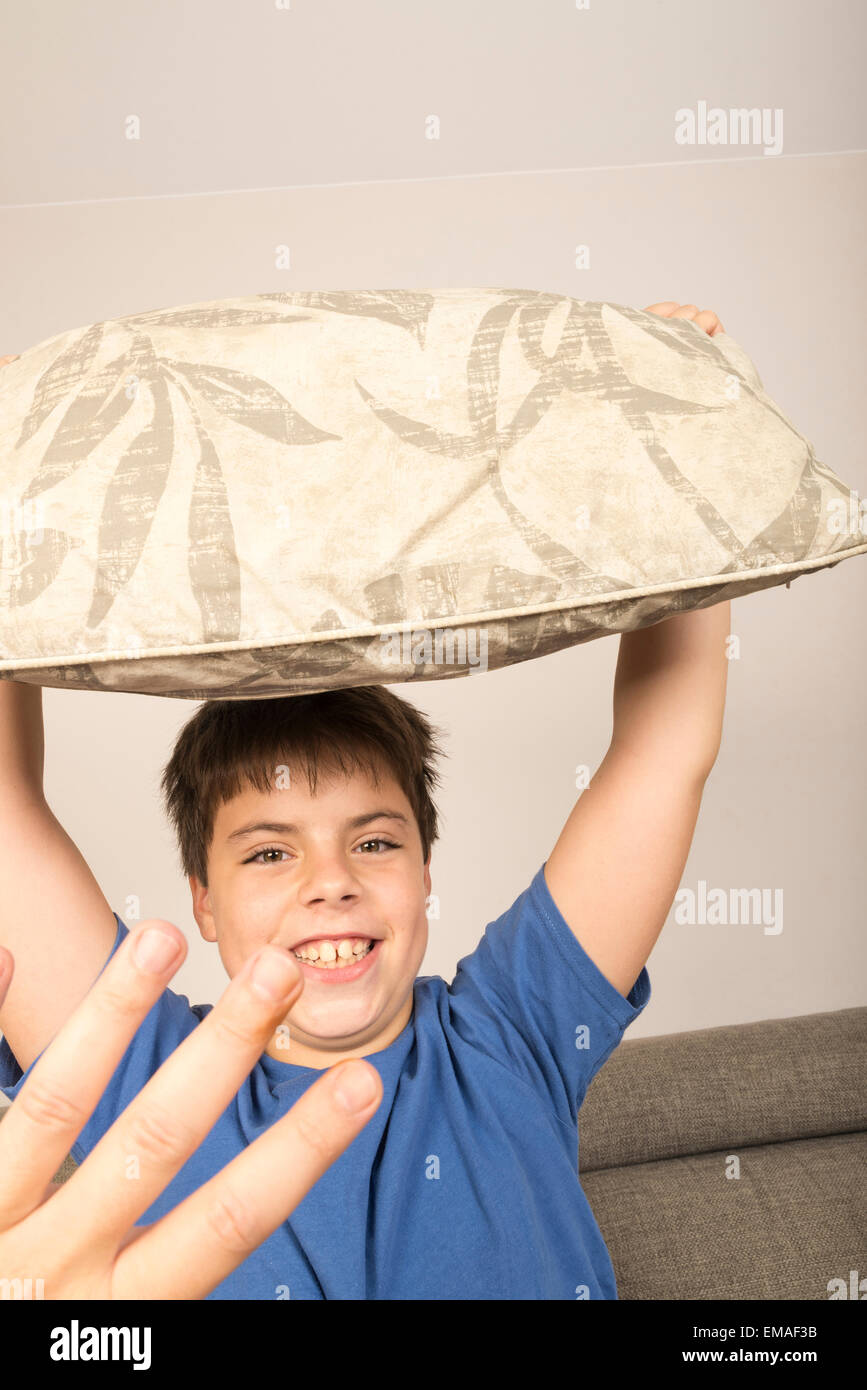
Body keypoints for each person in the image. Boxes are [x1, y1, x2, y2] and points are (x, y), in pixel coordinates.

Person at [0, 306, 730, 1298]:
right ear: (202, 900)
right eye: (268, 853)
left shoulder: (511, 1034)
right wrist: (16, 453)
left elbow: (660, 754)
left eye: (375, 842)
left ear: (427, 873)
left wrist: (660, 411)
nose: (331, 883)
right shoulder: (145, 1079)